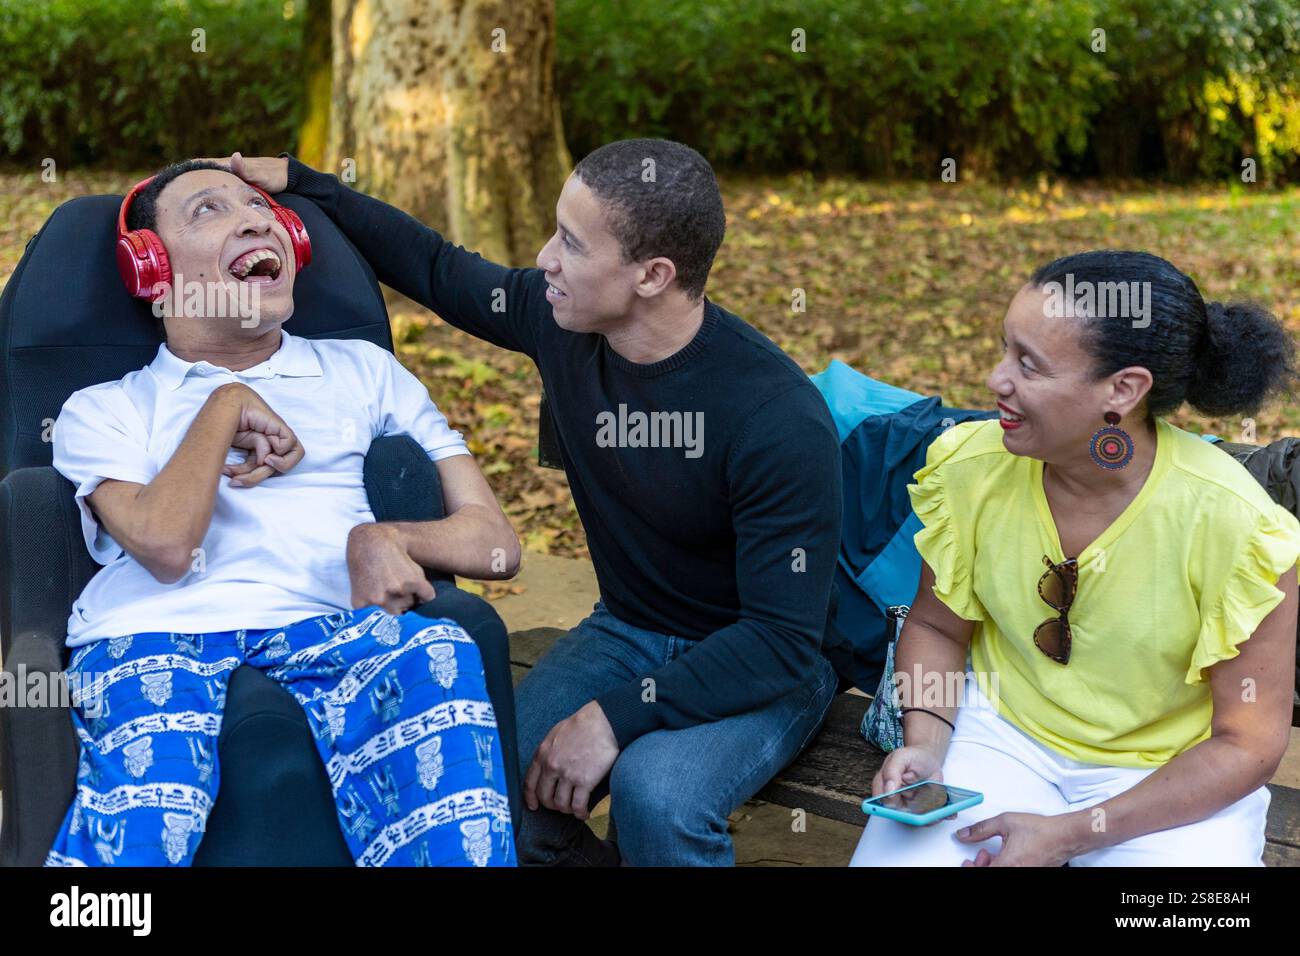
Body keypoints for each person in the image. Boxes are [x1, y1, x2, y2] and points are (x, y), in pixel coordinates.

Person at [225, 139, 843, 866]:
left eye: (572, 244)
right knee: (481, 779)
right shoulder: (562, 322)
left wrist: (613, 718)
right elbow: (435, 265)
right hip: (630, 628)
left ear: (652, 275)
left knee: (656, 794)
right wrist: (305, 184)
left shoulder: (776, 417)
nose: (546, 258)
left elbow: (780, 640)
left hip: (761, 662)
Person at [46, 160, 521, 867]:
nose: (252, 218)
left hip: (329, 627)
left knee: (438, 652)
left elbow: (497, 547)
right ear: (152, 269)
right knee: (144, 836)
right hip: (152, 636)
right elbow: (166, 546)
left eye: (260, 206)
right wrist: (225, 403)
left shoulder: (364, 371)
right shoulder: (105, 408)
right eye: (207, 210)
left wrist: (384, 536)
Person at [851, 250, 1300, 866]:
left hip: (1167, 780)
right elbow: (936, 625)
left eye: (1028, 365)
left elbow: (1245, 744)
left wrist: (1069, 834)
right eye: (1005, 348)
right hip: (1001, 735)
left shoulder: (1236, 526)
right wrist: (927, 745)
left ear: (1123, 389)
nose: (996, 380)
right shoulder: (972, 469)